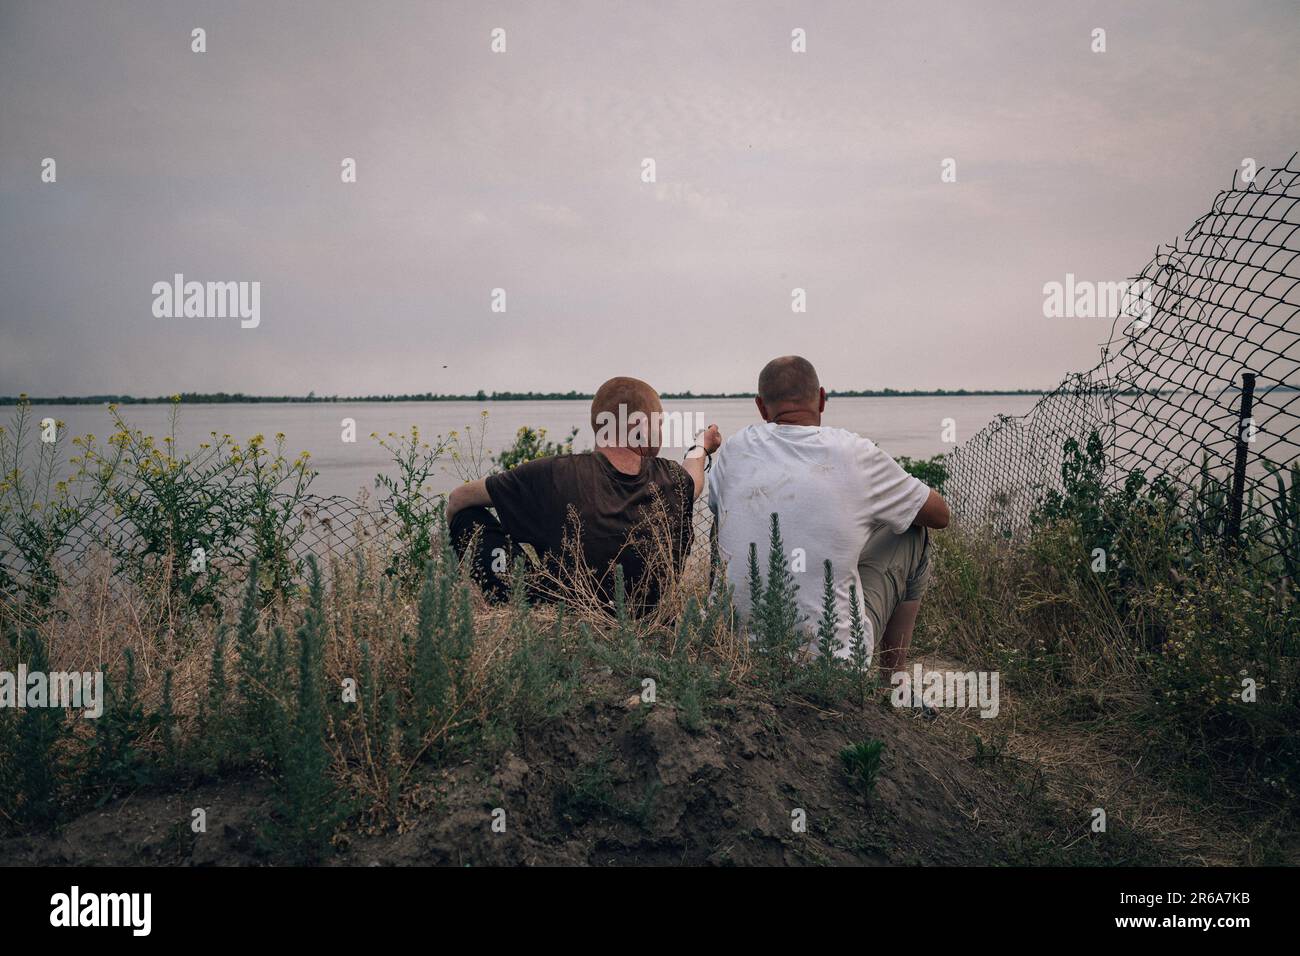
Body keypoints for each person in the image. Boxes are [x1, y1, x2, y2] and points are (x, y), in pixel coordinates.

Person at [707, 355, 949, 671]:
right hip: (833, 665)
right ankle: (894, 682)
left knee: (723, 521)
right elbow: (939, 514)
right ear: (822, 399)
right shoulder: (855, 452)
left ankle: (731, 624)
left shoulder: (737, 447)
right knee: (912, 532)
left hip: (730, 653)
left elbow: (717, 506)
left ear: (761, 407)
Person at [447, 376, 721, 612]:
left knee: (467, 517)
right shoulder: (670, 479)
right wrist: (701, 446)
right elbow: (695, 476)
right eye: (659, 425)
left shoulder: (553, 473)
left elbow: (458, 500)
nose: (661, 435)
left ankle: (510, 606)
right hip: (644, 614)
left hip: (559, 607)